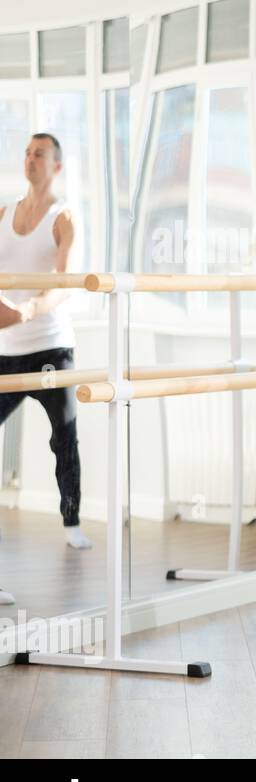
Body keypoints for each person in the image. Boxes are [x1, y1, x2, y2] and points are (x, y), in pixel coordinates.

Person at [0, 132, 92, 565]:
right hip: (9, 350)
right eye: (27, 153)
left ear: (56, 166)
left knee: (64, 438)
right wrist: (10, 315)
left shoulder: (64, 217)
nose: (30, 159)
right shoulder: (4, 213)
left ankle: (71, 522)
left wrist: (28, 310)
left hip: (52, 348)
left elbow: (67, 284)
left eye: (40, 154)